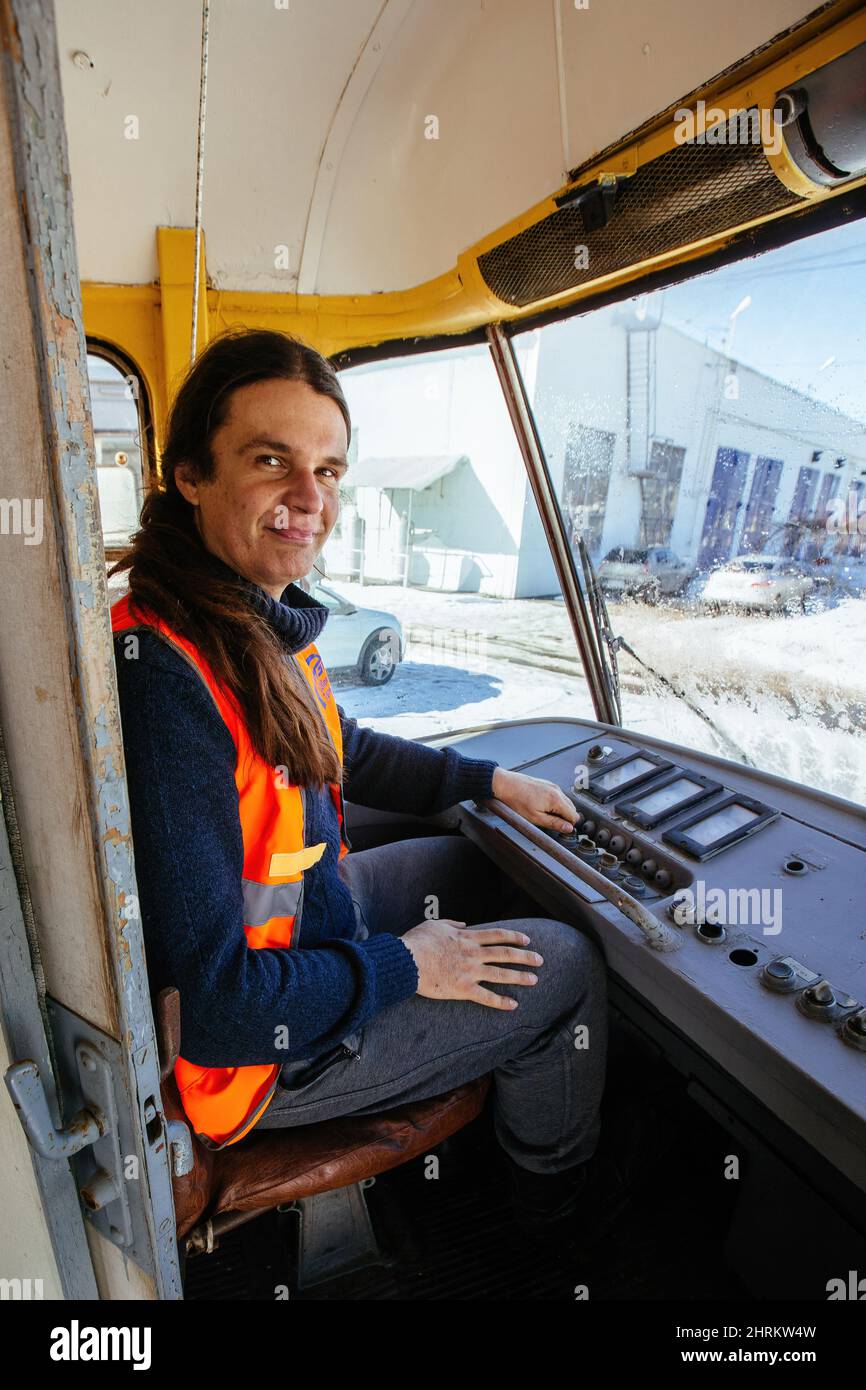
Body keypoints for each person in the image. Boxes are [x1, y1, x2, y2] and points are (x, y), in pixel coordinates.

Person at [109, 328, 640, 1248]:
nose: (309, 500)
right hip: (263, 1054)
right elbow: (219, 1005)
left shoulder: (239, 614)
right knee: (569, 967)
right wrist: (410, 966)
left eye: (330, 470)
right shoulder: (167, 678)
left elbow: (336, 744)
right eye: (271, 461)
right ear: (190, 474)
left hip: (308, 930)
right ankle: (555, 1222)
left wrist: (486, 781)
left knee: (467, 863)